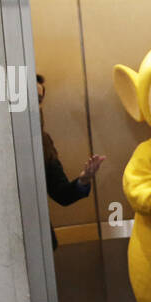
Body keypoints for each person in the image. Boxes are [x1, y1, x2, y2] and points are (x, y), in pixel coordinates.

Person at [38, 74, 104, 250]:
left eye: (39, 100)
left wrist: (83, 179)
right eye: (30, 98)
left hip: (39, 242)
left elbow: (61, 194)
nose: (36, 107)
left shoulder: (42, 142)